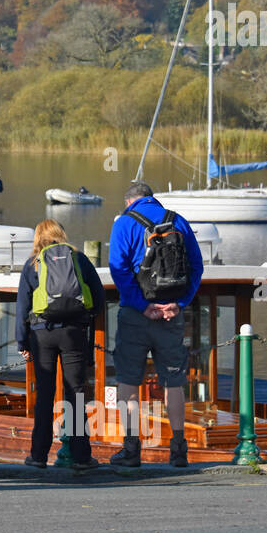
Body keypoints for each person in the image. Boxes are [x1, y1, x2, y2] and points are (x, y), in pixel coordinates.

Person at [107, 181, 204, 467]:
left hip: (137, 316)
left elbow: (118, 269)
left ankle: (131, 449)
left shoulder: (124, 223)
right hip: (171, 315)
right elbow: (197, 267)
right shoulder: (178, 221)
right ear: (152, 198)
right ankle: (178, 449)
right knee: (174, 381)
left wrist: (142, 305)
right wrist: (180, 303)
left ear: (129, 202)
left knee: (128, 381)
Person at [15, 219, 105, 471]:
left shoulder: (32, 264)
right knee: (75, 393)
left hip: (42, 333)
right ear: (61, 234)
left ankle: (38, 455)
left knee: (44, 395)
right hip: (73, 332)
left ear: (37, 238)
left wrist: (22, 340)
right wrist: (84, 318)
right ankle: (81, 457)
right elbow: (98, 296)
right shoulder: (79, 259)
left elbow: (22, 305)